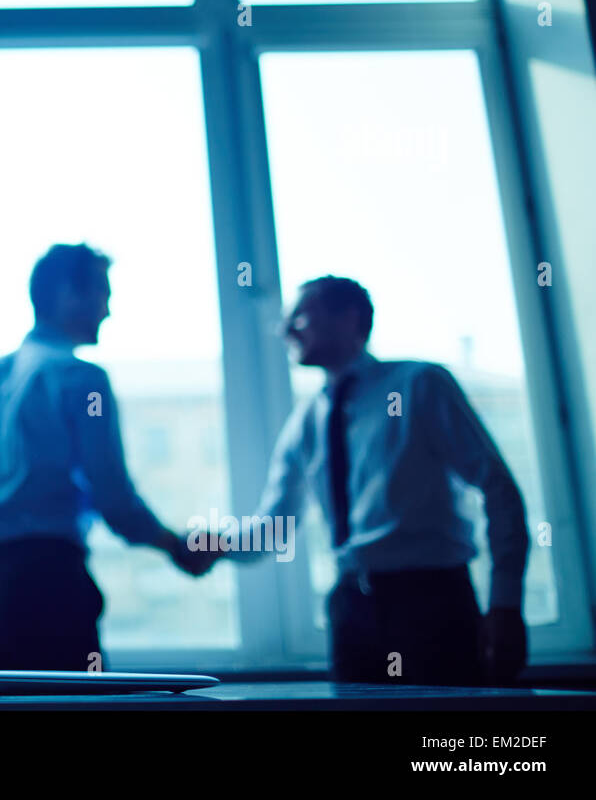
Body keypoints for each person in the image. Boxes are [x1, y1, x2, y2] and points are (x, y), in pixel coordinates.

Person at [188, 275, 529, 685]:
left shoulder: (420, 385)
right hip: (351, 608)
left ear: (350, 318)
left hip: (432, 602)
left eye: (300, 317)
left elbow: (498, 488)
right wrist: (208, 545)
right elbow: (273, 530)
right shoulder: (306, 422)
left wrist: (506, 604)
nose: (285, 330)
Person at [0, 243, 203, 671]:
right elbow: (115, 501)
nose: (108, 311)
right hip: (51, 585)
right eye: (103, 294)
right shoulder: (83, 379)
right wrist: (175, 545)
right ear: (69, 294)